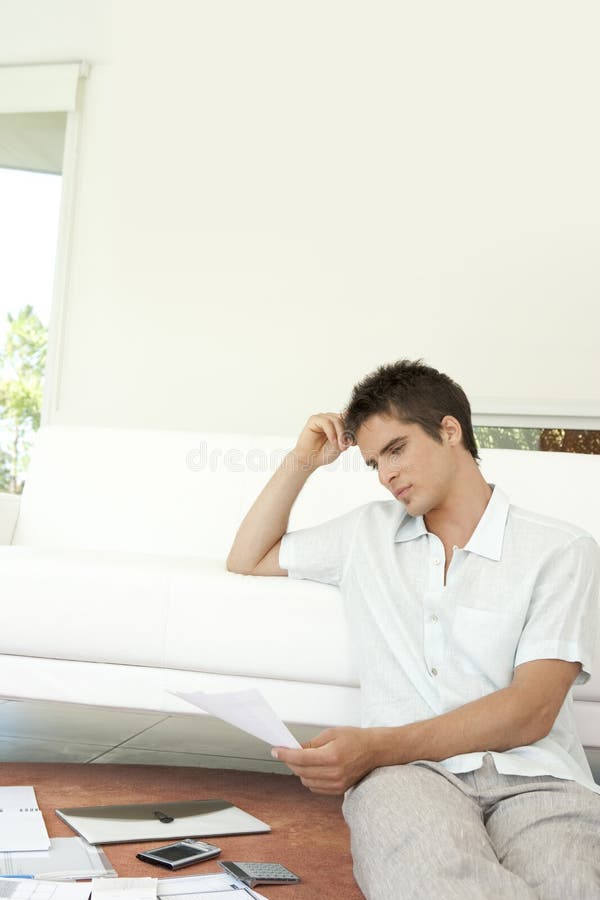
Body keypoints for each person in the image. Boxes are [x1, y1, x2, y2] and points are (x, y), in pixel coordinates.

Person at [226, 359, 600, 899]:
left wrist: (375, 747)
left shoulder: (561, 550)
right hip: (408, 778)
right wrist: (301, 462)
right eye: (375, 462)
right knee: (435, 883)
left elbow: (532, 709)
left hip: (540, 780)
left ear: (450, 432)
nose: (386, 475)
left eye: (396, 450)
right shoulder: (365, 534)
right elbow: (247, 556)